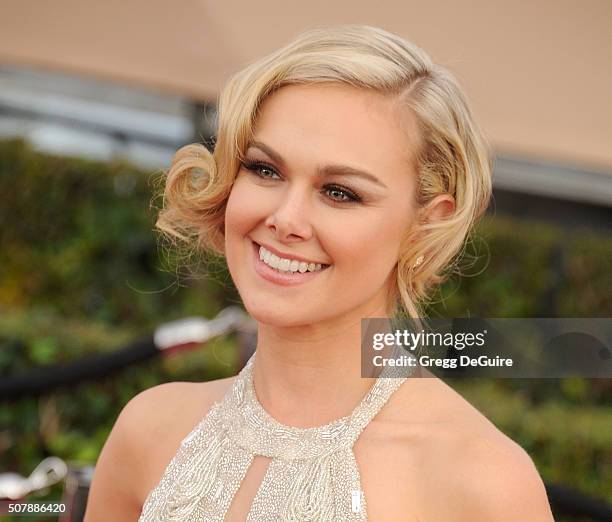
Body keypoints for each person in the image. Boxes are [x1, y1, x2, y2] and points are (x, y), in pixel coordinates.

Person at [85, 24, 554, 521]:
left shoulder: (482, 482)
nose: (285, 219)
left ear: (426, 224)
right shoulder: (149, 430)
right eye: (265, 169)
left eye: (340, 192)